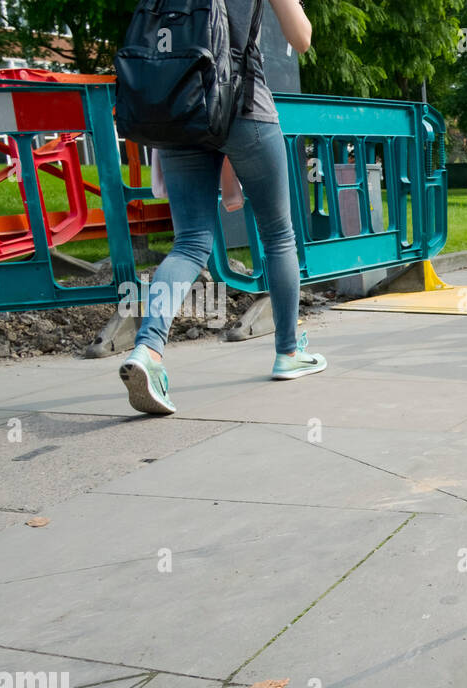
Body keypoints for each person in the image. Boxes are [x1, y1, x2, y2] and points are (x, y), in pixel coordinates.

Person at [120, 0, 323, 416]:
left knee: (190, 242)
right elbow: (301, 39)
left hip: (180, 108)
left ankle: (148, 350)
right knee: (278, 234)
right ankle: (288, 352)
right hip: (243, 107)